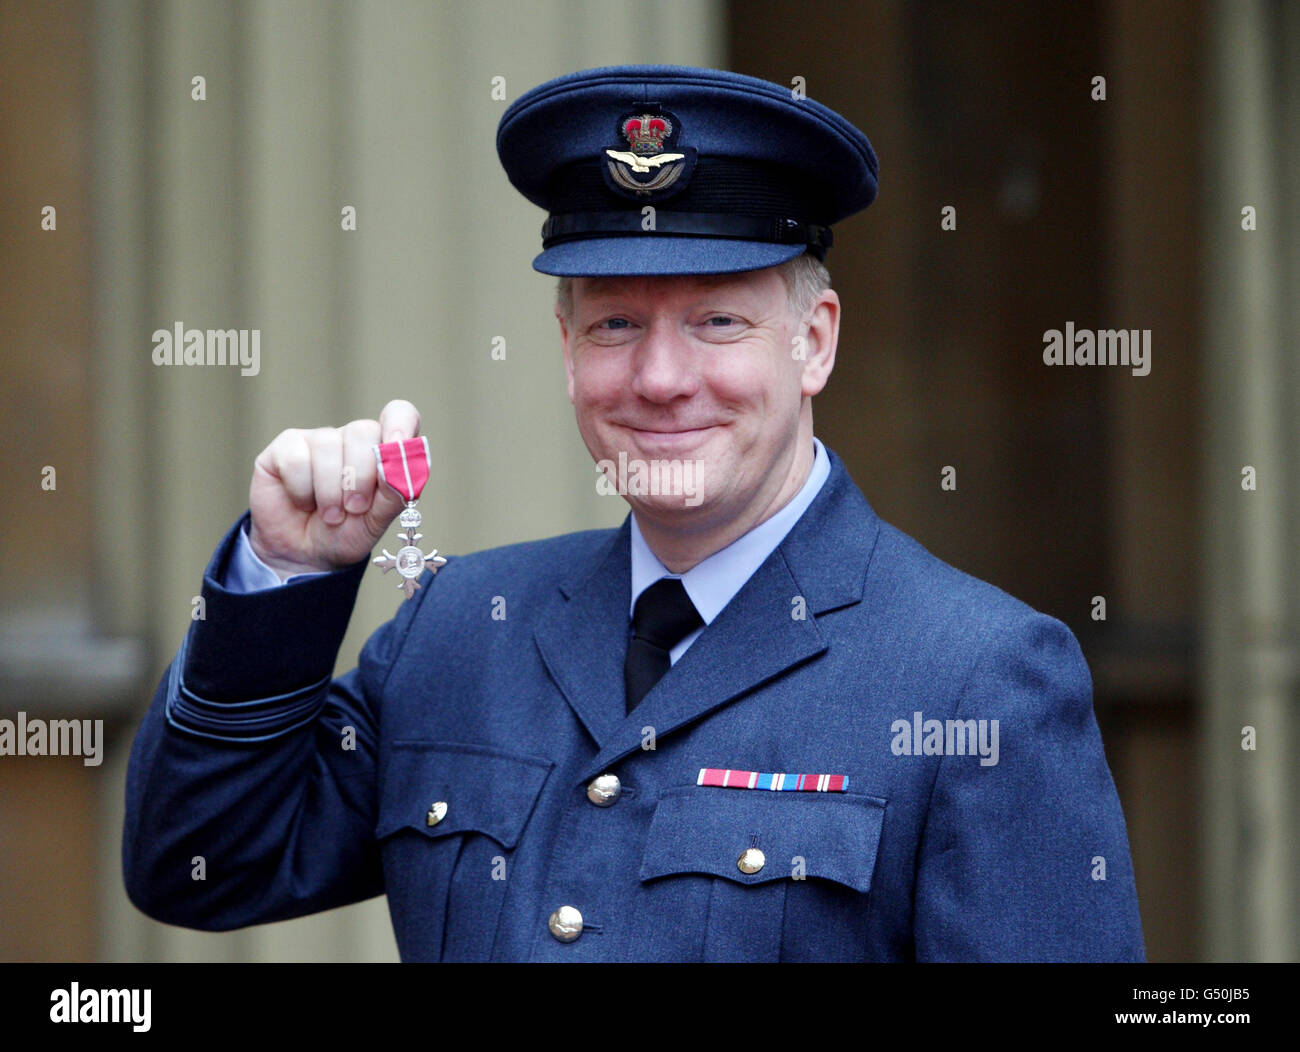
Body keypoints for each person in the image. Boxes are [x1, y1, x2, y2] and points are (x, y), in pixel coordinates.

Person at [123, 64, 1145, 961]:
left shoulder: (978, 677)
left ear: (814, 341)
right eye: (615, 321)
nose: (660, 378)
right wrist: (285, 570)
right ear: (566, 348)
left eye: (717, 320)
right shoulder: (460, 625)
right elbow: (200, 868)